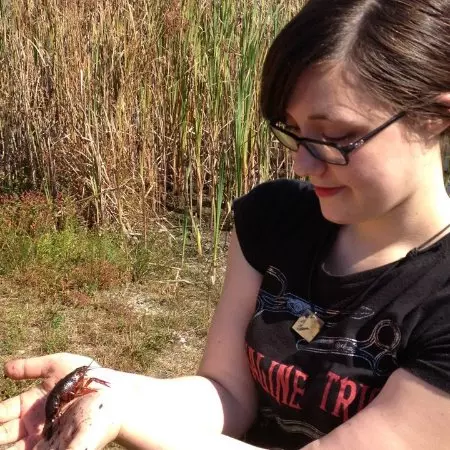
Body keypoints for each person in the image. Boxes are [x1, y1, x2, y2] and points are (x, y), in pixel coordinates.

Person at [1, 0, 450, 449]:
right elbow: (227, 397)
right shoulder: (274, 221)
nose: (303, 162)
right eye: (291, 131)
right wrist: (104, 389)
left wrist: (125, 416)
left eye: (334, 137)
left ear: (435, 114)